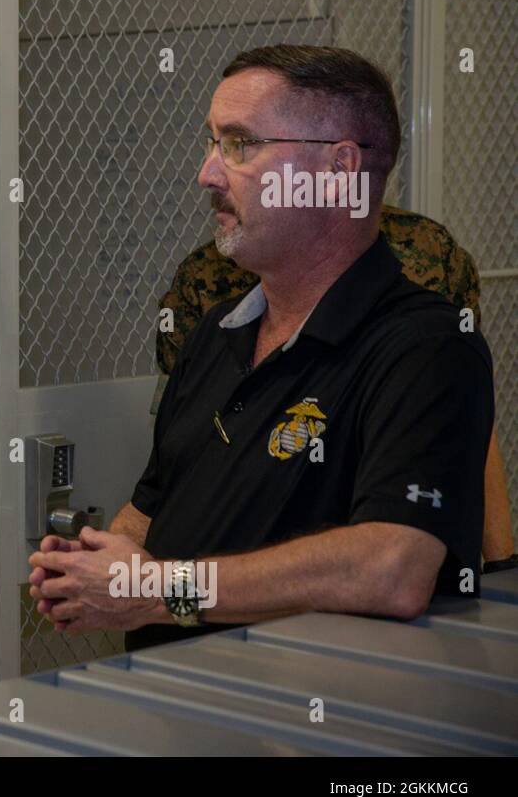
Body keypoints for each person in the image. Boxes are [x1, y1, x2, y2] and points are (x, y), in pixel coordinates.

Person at [28, 45, 495, 651]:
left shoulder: (426, 349)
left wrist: (156, 589)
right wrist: (98, 564)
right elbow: (153, 509)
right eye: (212, 142)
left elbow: (391, 568)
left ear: (338, 169)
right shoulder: (216, 333)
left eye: (239, 145)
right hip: (179, 712)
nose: (208, 173)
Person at [153, 204, 514, 567]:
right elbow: (184, 439)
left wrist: (502, 562)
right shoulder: (209, 271)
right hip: (227, 557)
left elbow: (464, 422)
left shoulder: (429, 252)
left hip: (363, 546)